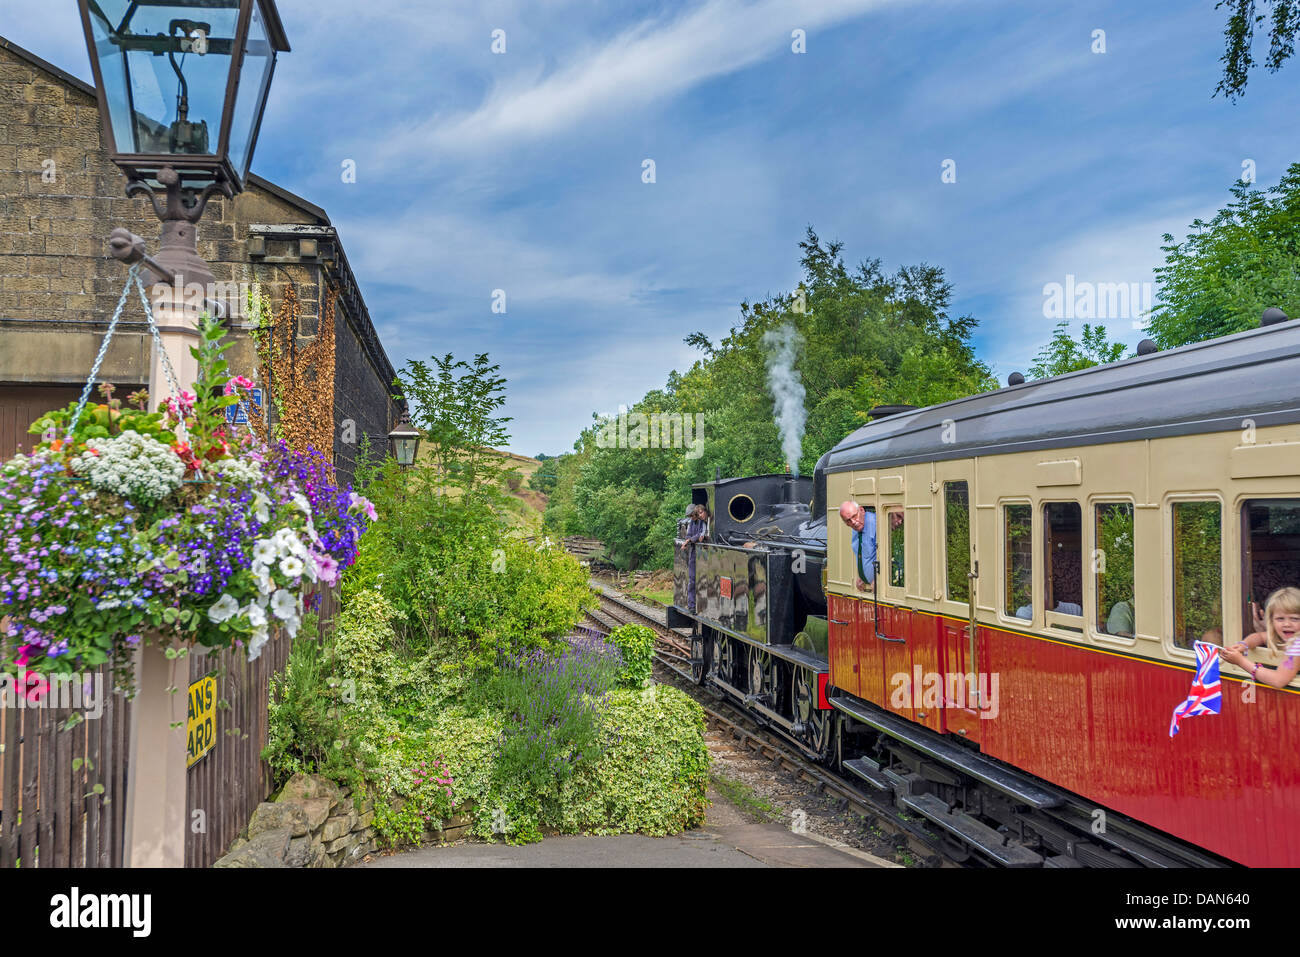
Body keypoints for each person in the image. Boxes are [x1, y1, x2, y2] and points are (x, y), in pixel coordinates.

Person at [1220, 586, 1300, 688]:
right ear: (1271, 621)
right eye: (1280, 619)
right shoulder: (1281, 636)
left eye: (1294, 619)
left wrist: (1240, 661)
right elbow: (1260, 637)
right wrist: (1244, 644)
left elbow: (1279, 680)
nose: (1287, 624)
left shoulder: (1297, 645)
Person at [839, 500, 877, 592]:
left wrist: (879, 579)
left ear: (861, 510)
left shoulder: (876, 524)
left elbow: (887, 554)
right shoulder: (856, 527)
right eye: (848, 520)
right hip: (868, 586)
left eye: (854, 516)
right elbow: (863, 554)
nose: (853, 522)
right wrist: (862, 575)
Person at [682, 505, 709, 611]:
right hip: (694, 552)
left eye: (692, 515)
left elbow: (700, 535)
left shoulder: (703, 523)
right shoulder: (691, 523)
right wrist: (690, 539)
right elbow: (689, 535)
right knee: (692, 580)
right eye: (690, 516)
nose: (691, 517)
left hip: (703, 553)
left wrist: (689, 540)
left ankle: (702, 605)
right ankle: (691, 605)